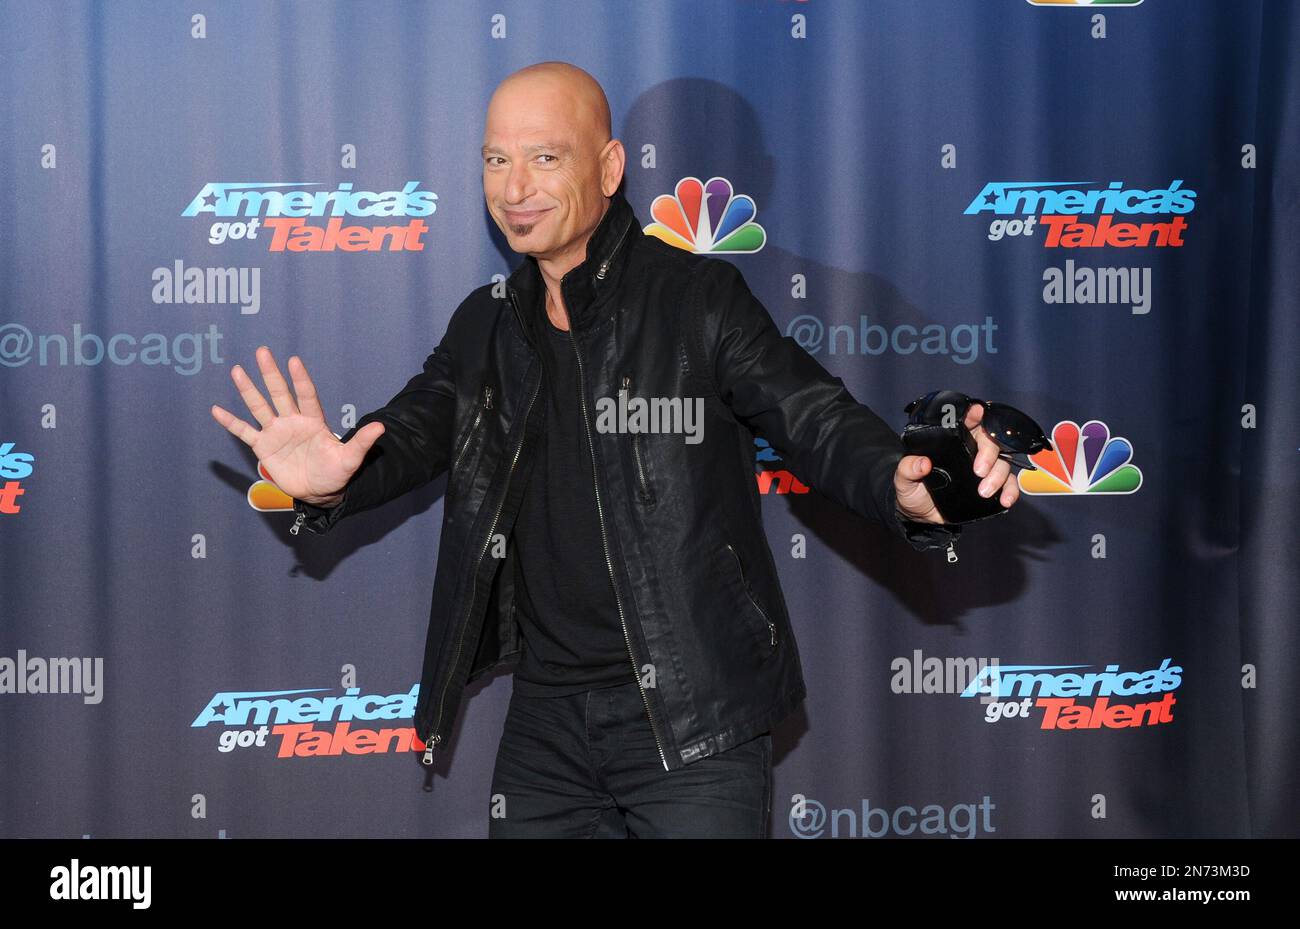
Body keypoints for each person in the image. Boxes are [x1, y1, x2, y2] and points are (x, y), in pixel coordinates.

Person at [209, 61, 1021, 838]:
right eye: (495, 159)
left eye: (544, 157)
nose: (513, 187)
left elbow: (811, 415)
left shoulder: (697, 298)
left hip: (694, 714)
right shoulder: (482, 325)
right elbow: (408, 435)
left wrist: (901, 485)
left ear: (608, 167)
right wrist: (327, 482)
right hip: (545, 729)